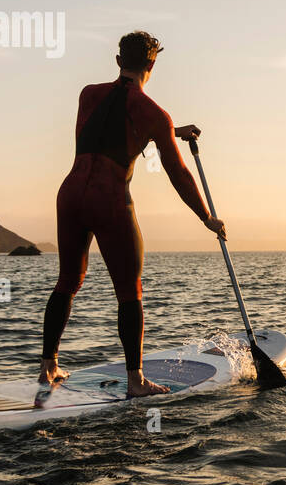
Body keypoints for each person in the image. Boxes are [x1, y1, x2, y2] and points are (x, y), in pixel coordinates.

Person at [38, 31, 226, 397]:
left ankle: (48, 367)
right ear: (152, 64)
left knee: (68, 282)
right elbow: (178, 173)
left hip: (71, 193)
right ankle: (136, 381)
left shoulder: (88, 94)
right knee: (130, 292)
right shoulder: (154, 114)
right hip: (109, 199)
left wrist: (171, 131)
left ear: (117, 60)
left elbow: (112, 124)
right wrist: (206, 217)